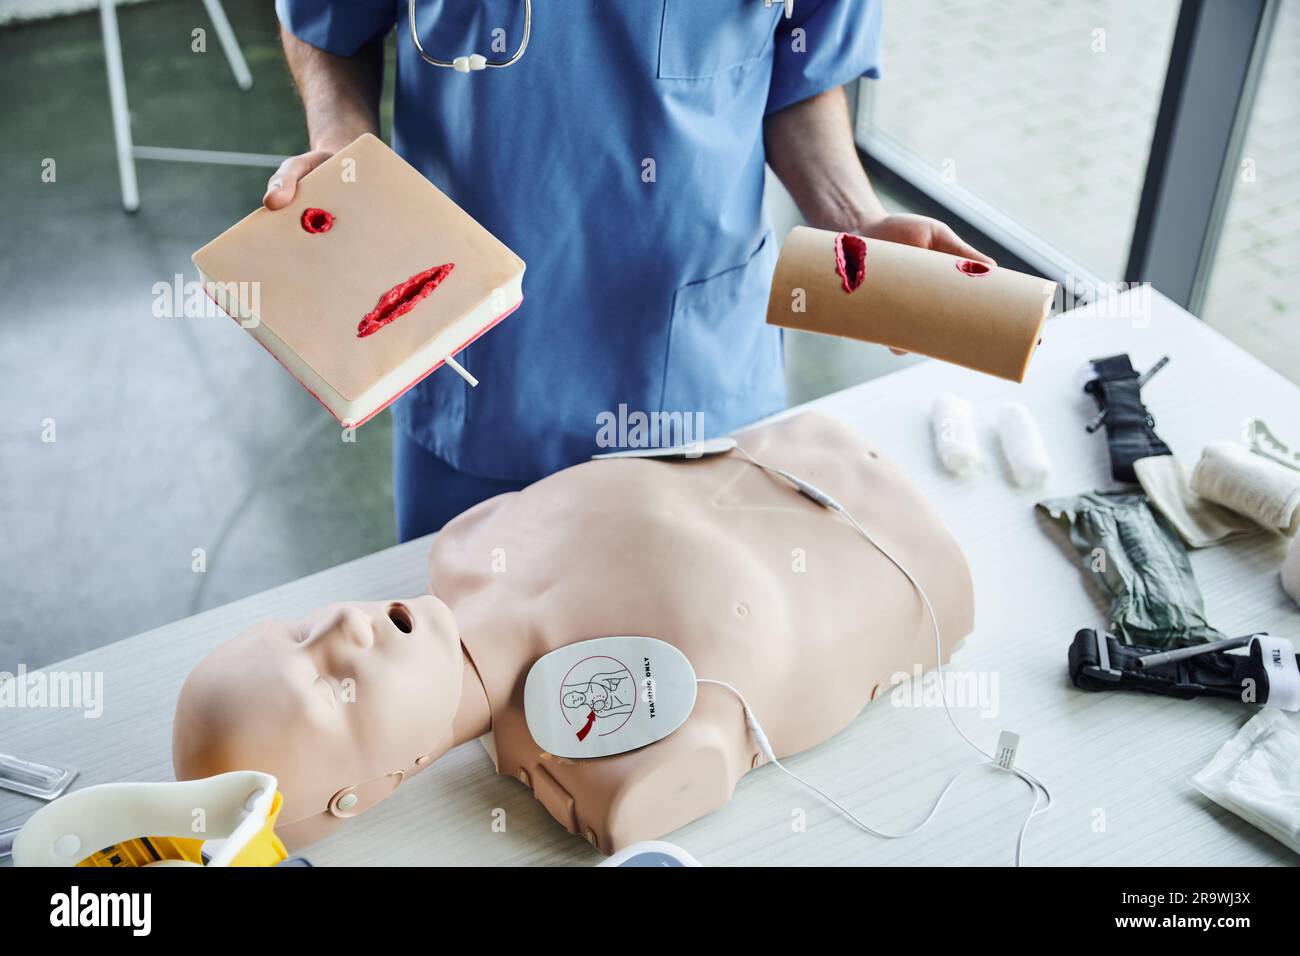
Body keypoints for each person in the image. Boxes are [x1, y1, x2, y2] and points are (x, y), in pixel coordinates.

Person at [264, 0, 992, 538]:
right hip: (481, 370)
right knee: (465, 686)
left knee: (697, 667)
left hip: (696, 376)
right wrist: (340, 142)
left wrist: (853, 217)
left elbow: (799, 69)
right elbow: (327, 22)